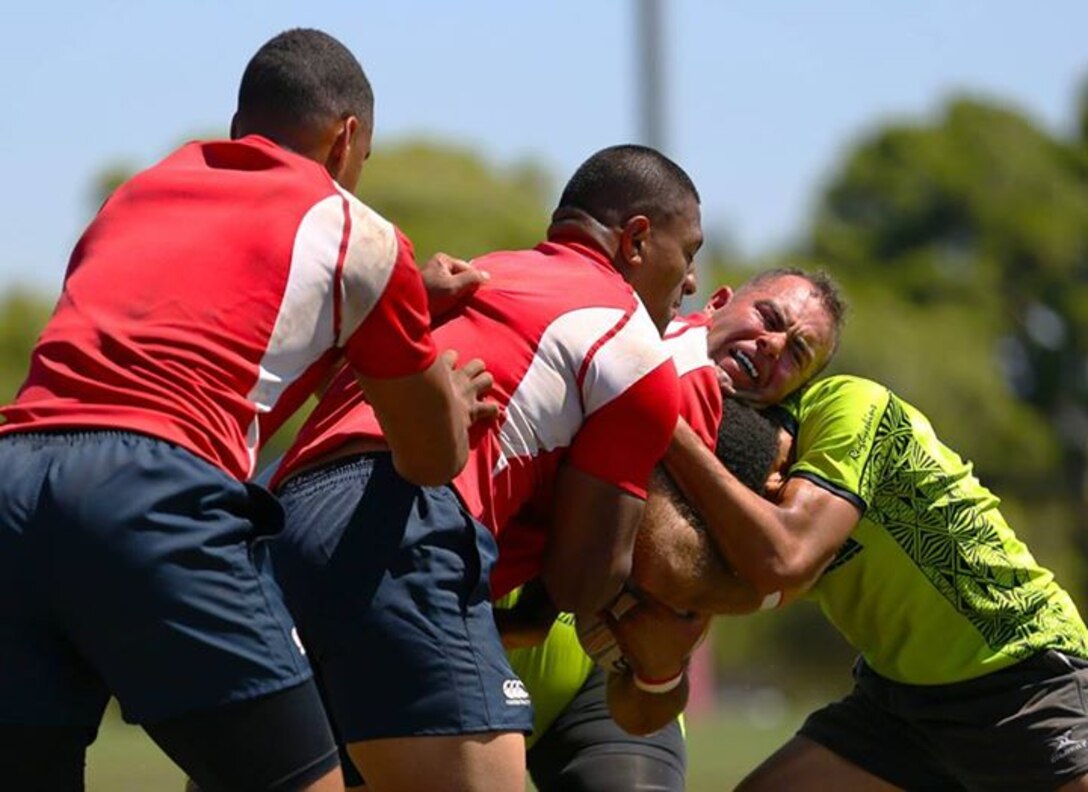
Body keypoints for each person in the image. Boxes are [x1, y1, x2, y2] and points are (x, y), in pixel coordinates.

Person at [0, 28, 491, 792]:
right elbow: (431, 457)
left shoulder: (136, 193)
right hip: (149, 495)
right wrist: (443, 390)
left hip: (14, 485)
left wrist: (380, 319)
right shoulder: (358, 232)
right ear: (346, 140)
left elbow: (215, 368)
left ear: (240, 127)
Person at [266, 144, 700, 791]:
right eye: (688, 253)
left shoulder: (482, 276)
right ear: (637, 239)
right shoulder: (629, 342)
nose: (689, 281)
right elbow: (584, 582)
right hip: (398, 519)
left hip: (281, 528)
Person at [496, 268, 847, 791]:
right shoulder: (609, 331)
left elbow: (646, 709)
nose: (773, 346)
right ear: (718, 301)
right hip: (475, 619)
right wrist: (761, 590)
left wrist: (658, 669)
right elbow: (667, 559)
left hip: (586, 675)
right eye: (768, 318)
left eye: (798, 354)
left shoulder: (748, 459)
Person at [662, 374, 1088, 791]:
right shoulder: (747, 530)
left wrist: (668, 427)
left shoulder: (849, 410)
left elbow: (786, 554)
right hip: (901, 705)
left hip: (1022, 675)